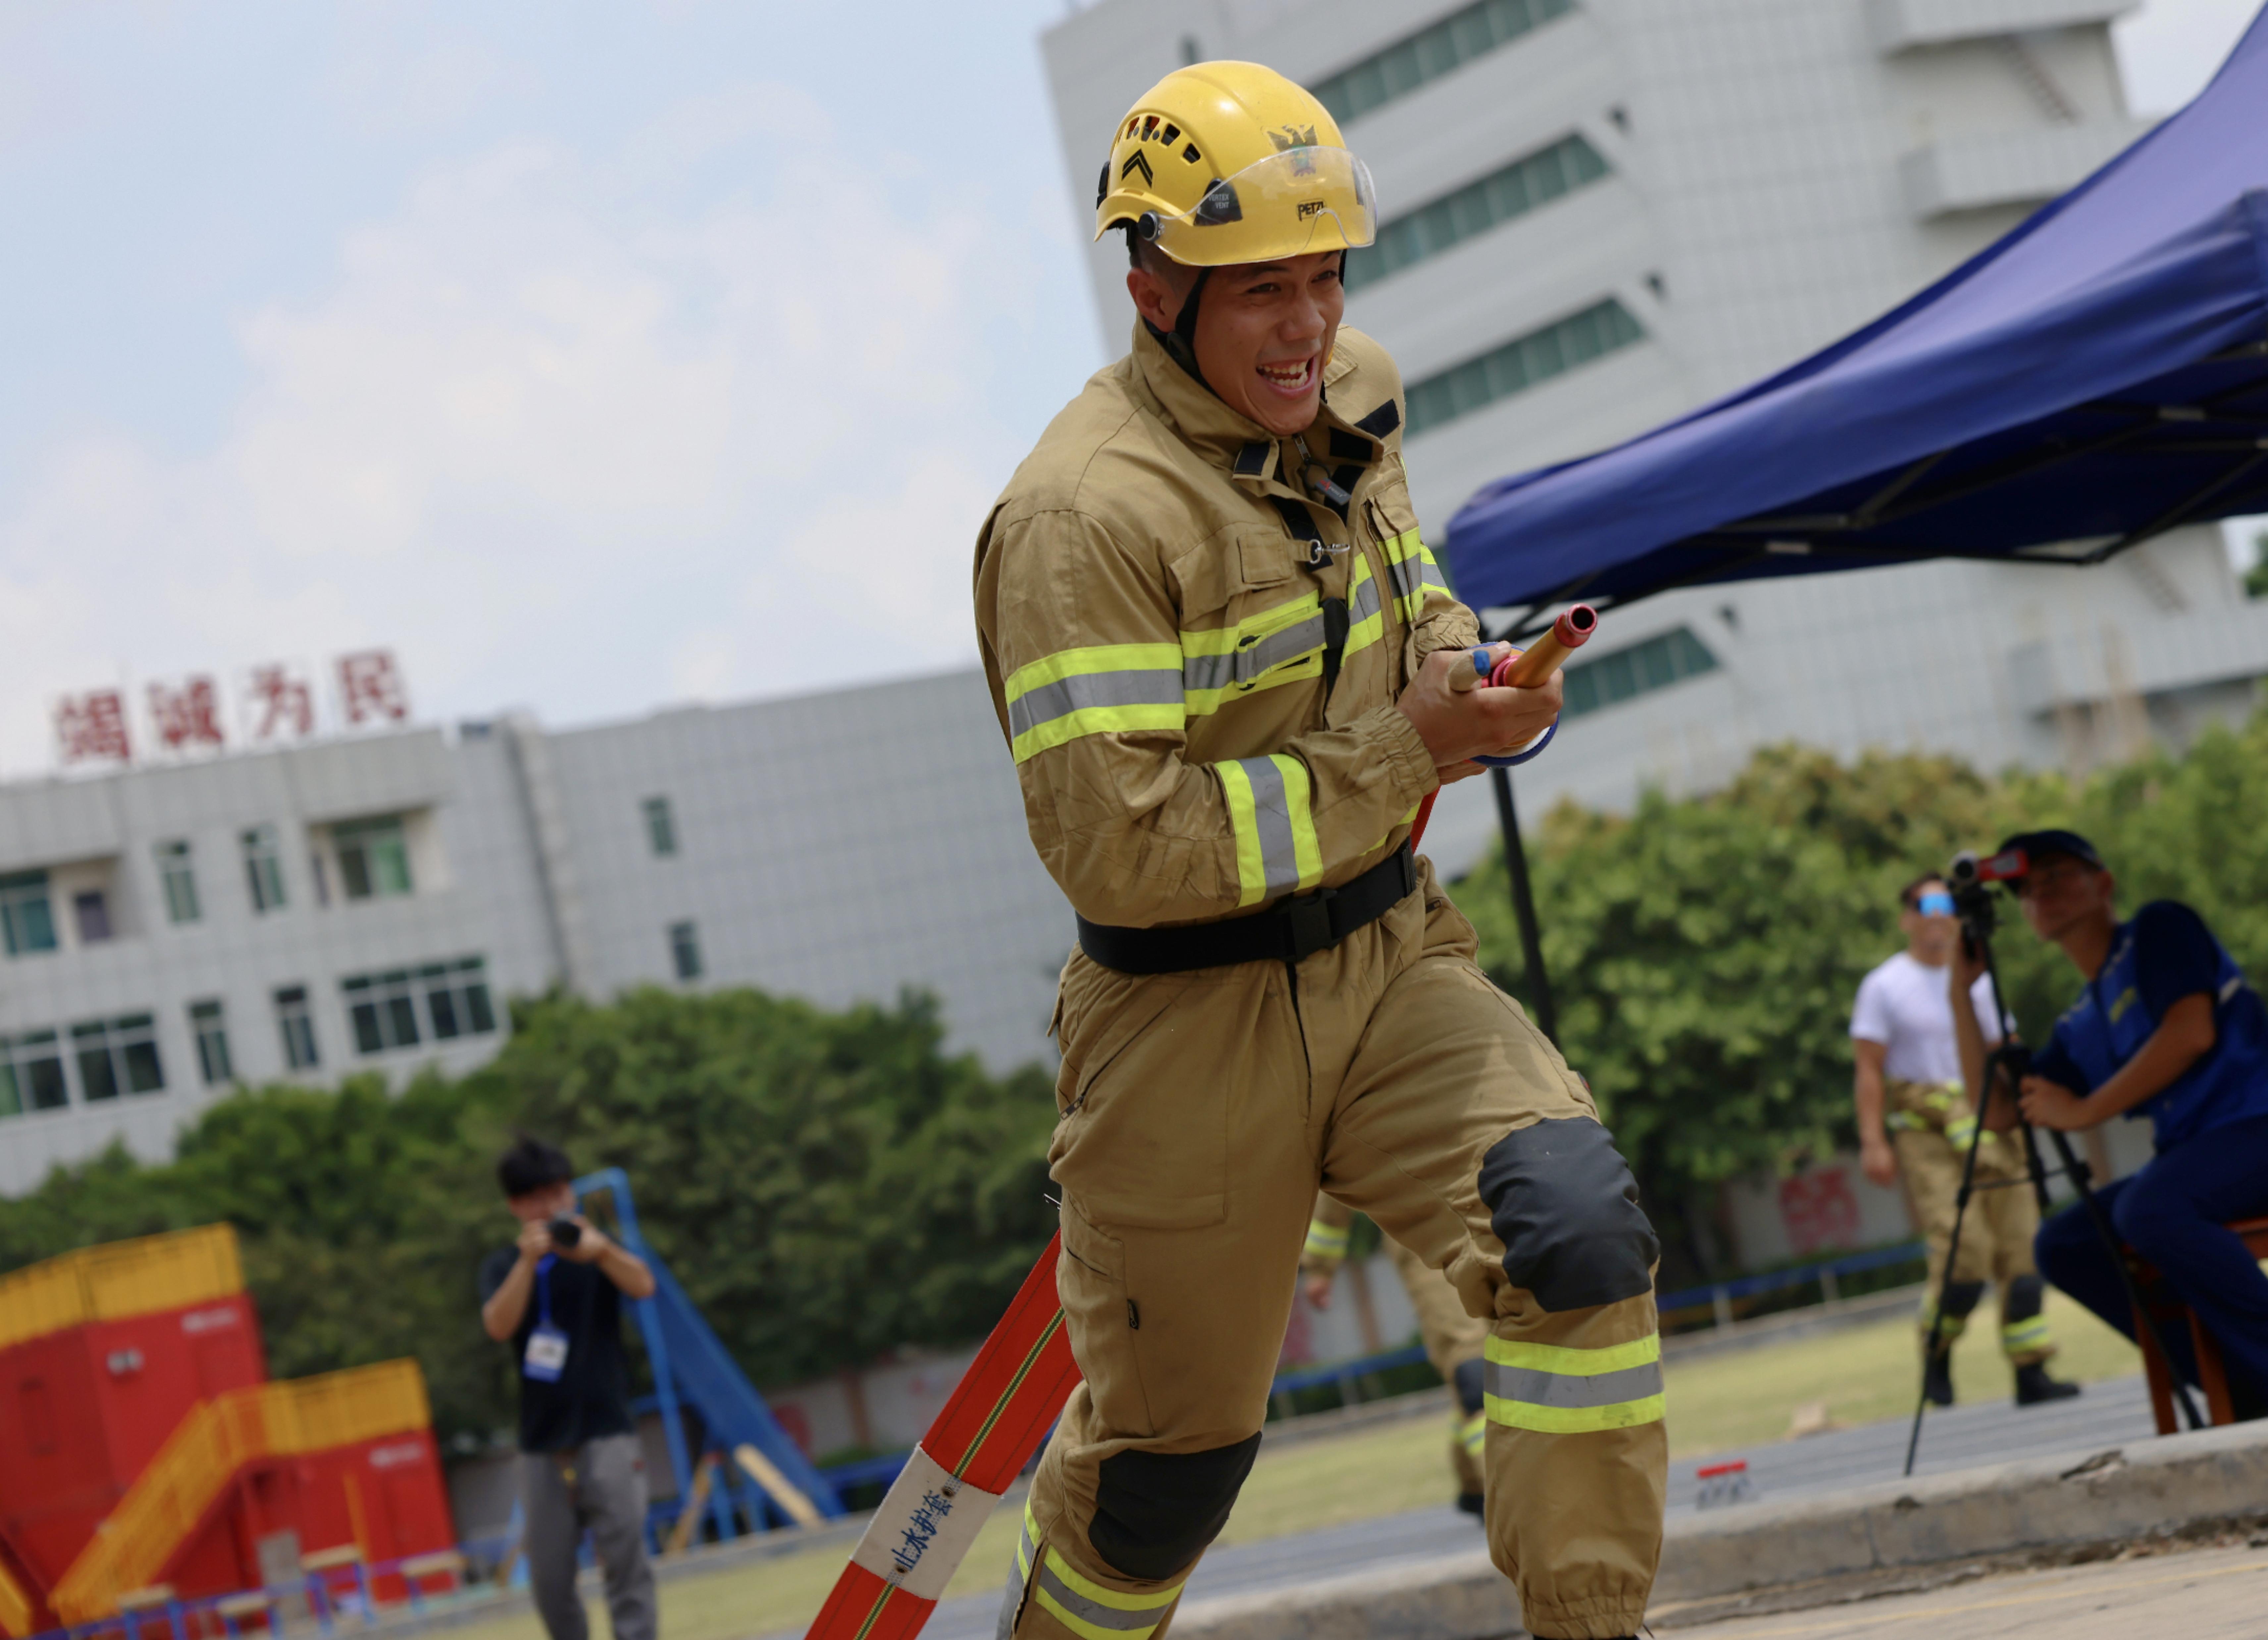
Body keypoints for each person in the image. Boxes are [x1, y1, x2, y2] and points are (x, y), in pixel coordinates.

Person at [973, 61, 1664, 1640]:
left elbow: (1408, 586)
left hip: (1388, 950)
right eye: (1259, 290)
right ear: (1153, 289)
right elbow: (1120, 851)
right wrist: (1403, 751)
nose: (1304, 326)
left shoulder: (1355, 391)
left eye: (1324, 275)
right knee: (1167, 1478)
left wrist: (1476, 679)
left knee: (1572, 1234)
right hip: (1180, 1021)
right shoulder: (1077, 519)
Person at [1953, 830, 2268, 1419]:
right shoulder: (2080, 1019)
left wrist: (2081, 1111)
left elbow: (2189, 1032)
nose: (2043, 892)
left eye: (2057, 874)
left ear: (2103, 883)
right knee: (2066, 1242)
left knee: (2149, 1208)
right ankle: (2237, 1389)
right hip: (2197, 1156)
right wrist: (1958, 990)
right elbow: (1996, 1114)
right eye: (2027, 888)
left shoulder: (2157, 928)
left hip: (2254, 1123)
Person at [1851, 875, 2078, 1408]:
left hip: (1994, 1131)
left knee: (2024, 1249)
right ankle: (1938, 1353)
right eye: (1924, 904)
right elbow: (1868, 1068)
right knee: (1965, 1255)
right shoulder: (1885, 985)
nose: (1937, 914)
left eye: (1947, 904)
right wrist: (1873, 1141)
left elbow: (2007, 1046)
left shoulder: (1978, 979)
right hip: (1930, 1139)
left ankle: (2031, 1372)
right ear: (1906, 916)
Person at [479, 1137, 660, 1640]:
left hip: (607, 1431)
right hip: (542, 1443)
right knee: (551, 1581)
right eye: (536, 1198)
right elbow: (497, 1325)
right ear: (517, 1206)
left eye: (559, 1193)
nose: (551, 1206)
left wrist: (599, 1249)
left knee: (627, 1560)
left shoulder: (598, 1255)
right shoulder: (503, 1264)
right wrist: (526, 1263)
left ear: (571, 1193)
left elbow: (644, 1286)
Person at [1299, 1194, 1489, 1517]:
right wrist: (1319, 1265)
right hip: (1430, 1239)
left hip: (1506, 1223)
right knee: (1475, 1374)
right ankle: (1517, 1502)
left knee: (1509, 1367)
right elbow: (1340, 1155)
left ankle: (1475, 1486)